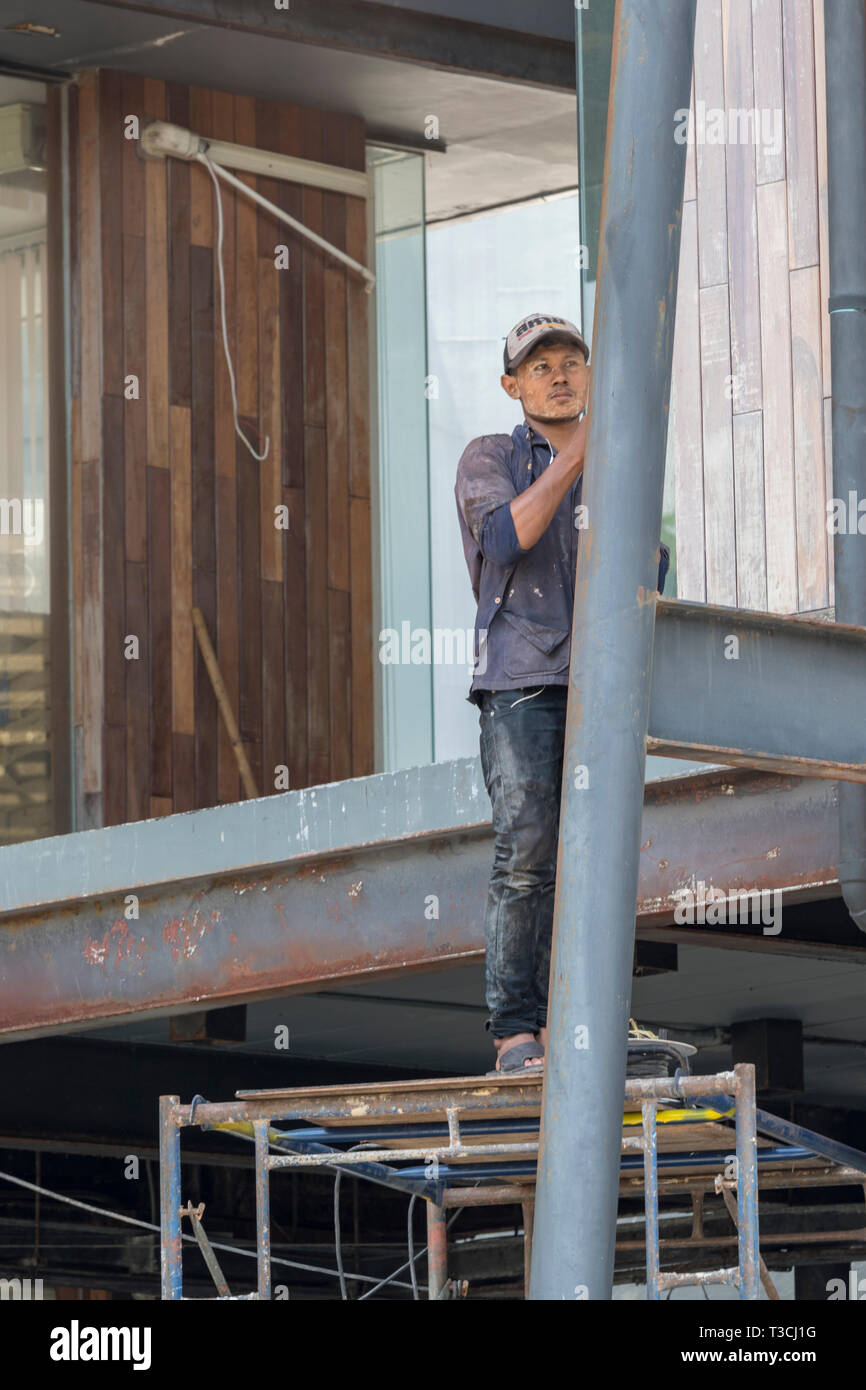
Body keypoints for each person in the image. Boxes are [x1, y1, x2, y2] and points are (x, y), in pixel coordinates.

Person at [455, 313, 669, 1074]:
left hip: (601, 687)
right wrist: (577, 455)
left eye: (571, 360)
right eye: (538, 366)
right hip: (522, 686)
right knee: (529, 854)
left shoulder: (622, 460)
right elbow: (508, 538)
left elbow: (651, 565)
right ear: (512, 385)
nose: (558, 374)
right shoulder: (491, 456)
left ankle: (578, 1020)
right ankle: (517, 1034)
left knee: (599, 856)